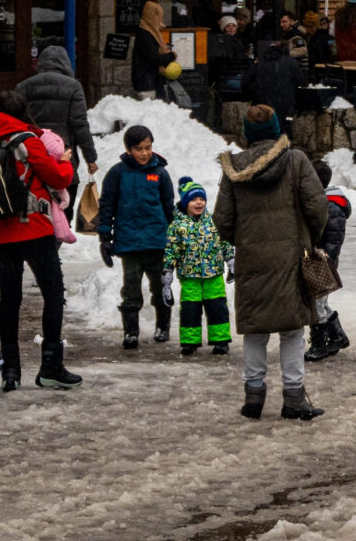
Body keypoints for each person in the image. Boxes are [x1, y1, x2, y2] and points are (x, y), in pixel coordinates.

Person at [215, 132, 329, 422]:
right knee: (292, 331)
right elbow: (317, 207)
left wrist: (244, 240)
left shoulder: (234, 169)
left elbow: (223, 221)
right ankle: (294, 398)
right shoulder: (296, 161)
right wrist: (308, 237)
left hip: (251, 259)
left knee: (255, 329)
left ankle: (253, 395)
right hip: (291, 257)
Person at [0, 91, 79, 392]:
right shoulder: (28, 141)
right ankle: (51, 366)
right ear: (25, 113)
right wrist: (65, 163)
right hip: (33, 228)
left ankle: (10, 369)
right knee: (53, 294)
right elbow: (58, 178)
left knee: (9, 299)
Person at [99, 124, 177, 349]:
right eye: (139, 149)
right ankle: (131, 332)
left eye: (148, 147)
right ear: (129, 149)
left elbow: (169, 207)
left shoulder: (160, 173)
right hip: (130, 244)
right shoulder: (118, 173)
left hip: (157, 243)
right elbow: (107, 205)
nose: (144, 153)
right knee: (131, 290)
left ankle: (163, 327)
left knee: (161, 287)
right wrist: (105, 237)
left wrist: (175, 238)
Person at [164, 176, 233, 357]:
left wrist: (231, 260)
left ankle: (221, 341)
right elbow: (171, 250)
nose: (199, 203)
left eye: (202, 199)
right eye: (194, 199)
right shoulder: (178, 225)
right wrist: (168, 271)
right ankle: (190, 342)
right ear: (186, 202)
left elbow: (224, 242)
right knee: (190, 310)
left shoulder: (212, 221)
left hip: (214, 275)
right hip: (190, 277)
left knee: (217, 308)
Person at [16, 45, 99, 177]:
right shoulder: (74, 87)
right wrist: (90, 157)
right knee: (65, 193)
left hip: (34, 155)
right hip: (63, 155)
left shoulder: (23, 87)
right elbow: (80, 125)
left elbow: (17, 123)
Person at [303, 156, 353, 362]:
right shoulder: (322, 203)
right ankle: (338, 336)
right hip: (319, 260)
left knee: (317, 304)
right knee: (320, 302)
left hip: (323, 262)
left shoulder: (330, 206)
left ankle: (319, 344)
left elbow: (334, 237)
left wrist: (326, 258)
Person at [244, 36, 301, 135]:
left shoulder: (259, 64)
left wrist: (254, 95)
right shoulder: (291, 62)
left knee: (263, 130)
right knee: (284, 129)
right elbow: (300, 81)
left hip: (263, 102)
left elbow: (246, 83)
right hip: (285, 102)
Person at [130, 1, 174, 99]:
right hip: (146, 82)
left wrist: (162, 51)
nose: (160, 21)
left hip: (149, 80)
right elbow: (153, 58)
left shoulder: (149, 32)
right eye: (158, 18)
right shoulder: (145, 34)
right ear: (152, 17)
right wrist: (170, 56)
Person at [209, 15, 251, 96]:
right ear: (223, 28)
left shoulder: (237, 41)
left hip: (230, 79)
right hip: (231, 79)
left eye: (233, 26)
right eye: (228, 26)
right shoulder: (224, 43)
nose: (231, 28)